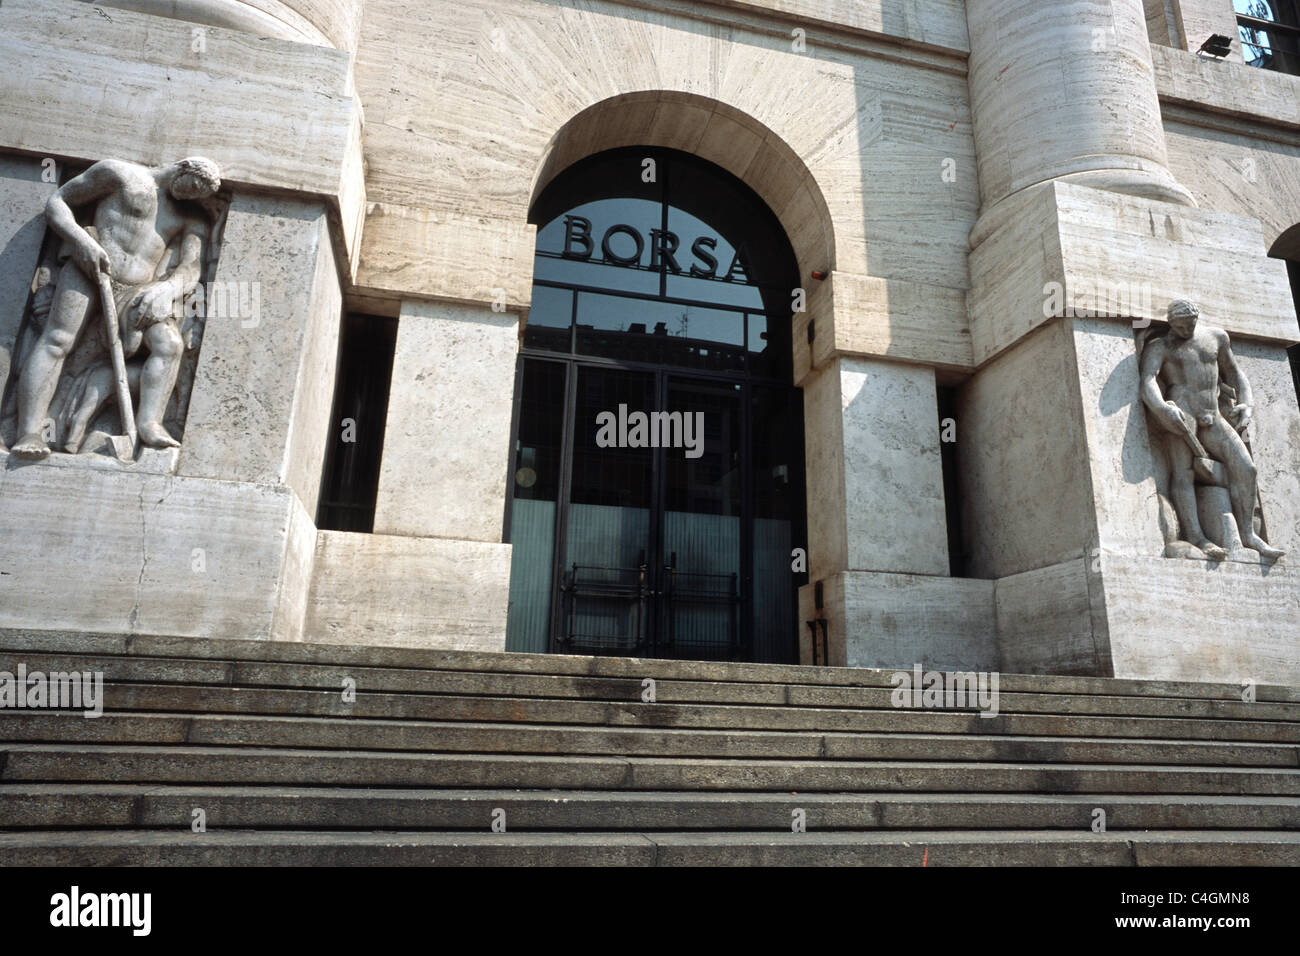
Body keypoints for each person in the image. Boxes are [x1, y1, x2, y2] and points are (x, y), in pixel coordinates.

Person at [11, 156, 221, 459]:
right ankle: (29, 431)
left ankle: (149, 422)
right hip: (89, 270)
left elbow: (191, 268)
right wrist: (81, 242)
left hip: (139, 292)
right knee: (58, 339)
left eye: (199, 194)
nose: (192, 196)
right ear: (182, 168)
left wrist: (168, 288)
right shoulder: (120, 175)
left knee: (169, 343)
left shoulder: (191, 217)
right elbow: (58, 202)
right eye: (192, 187)